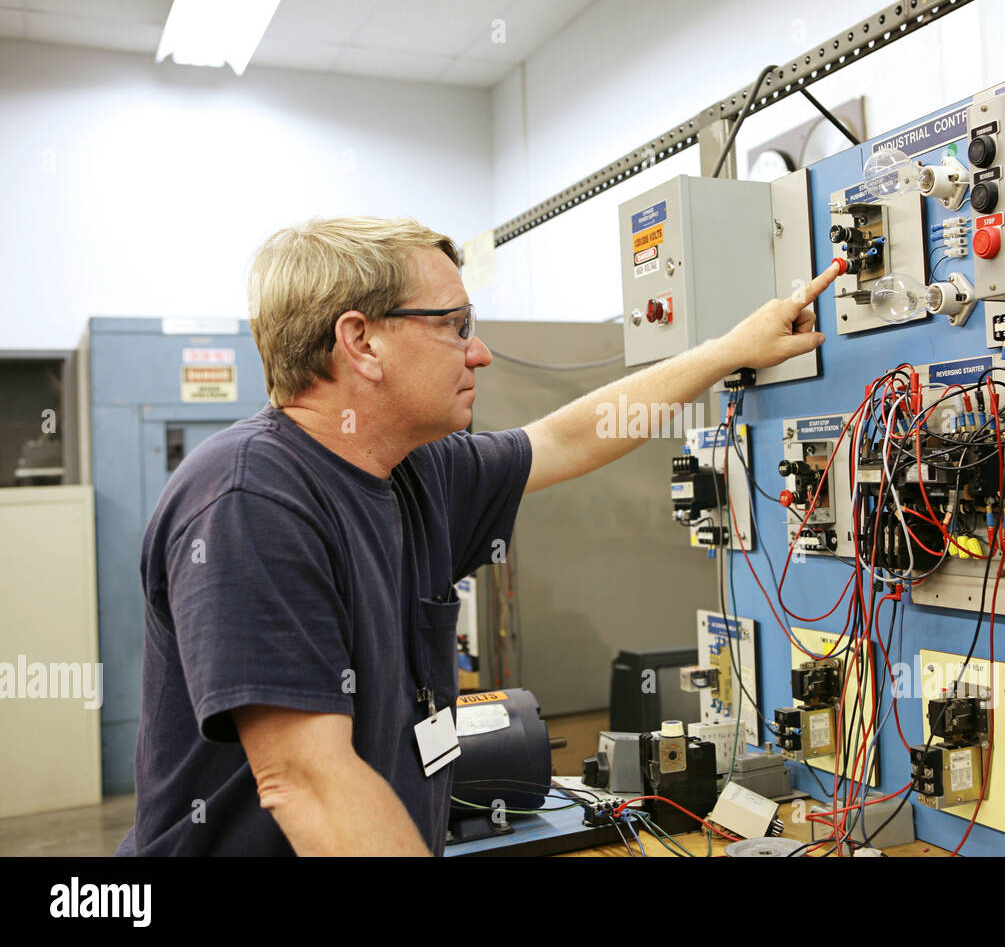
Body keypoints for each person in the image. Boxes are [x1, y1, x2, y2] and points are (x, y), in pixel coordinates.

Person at [117, 216, 839, 856]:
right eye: (456, 326)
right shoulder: (251, 500)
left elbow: (567, 435)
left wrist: (727, 351)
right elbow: (307, 781)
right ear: (360, 340)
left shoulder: (415, 471)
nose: (480, 352)